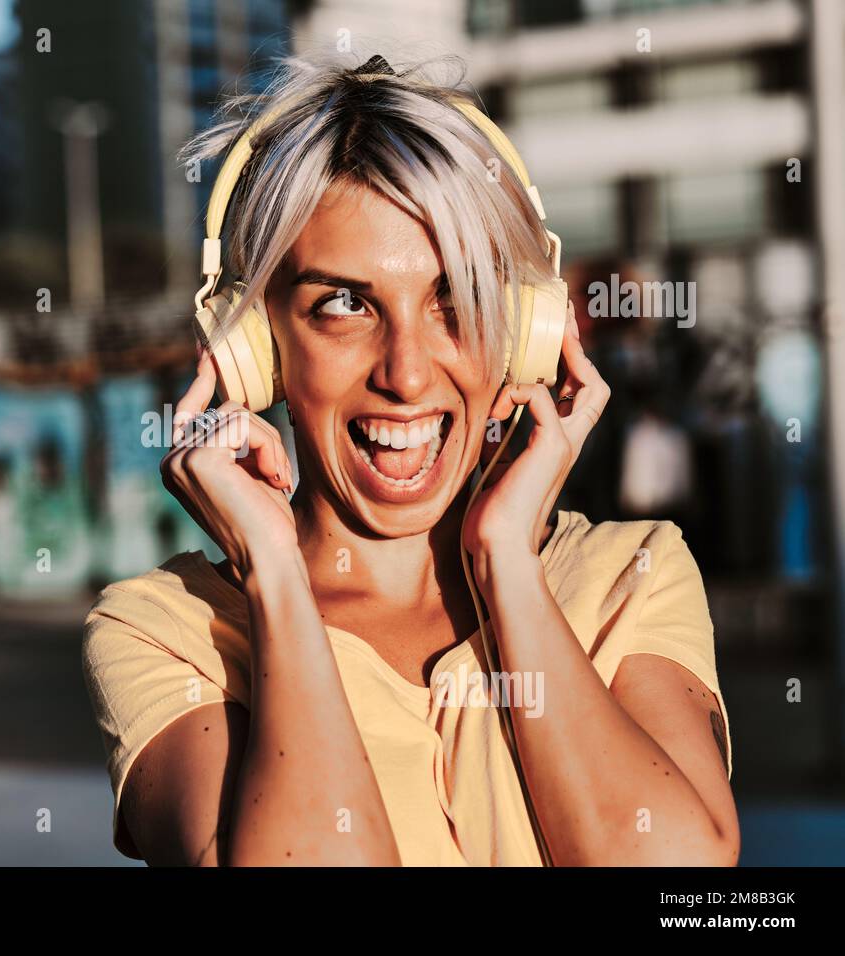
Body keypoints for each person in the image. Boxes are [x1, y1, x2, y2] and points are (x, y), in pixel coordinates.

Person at [82, 52, 737, 866]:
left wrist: (506, 562)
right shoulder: (170, 633)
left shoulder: (630, 576)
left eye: (455, 298)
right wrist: (276, 577)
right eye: (343, 304)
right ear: (253, 345)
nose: (408, 372)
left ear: (525, 337)